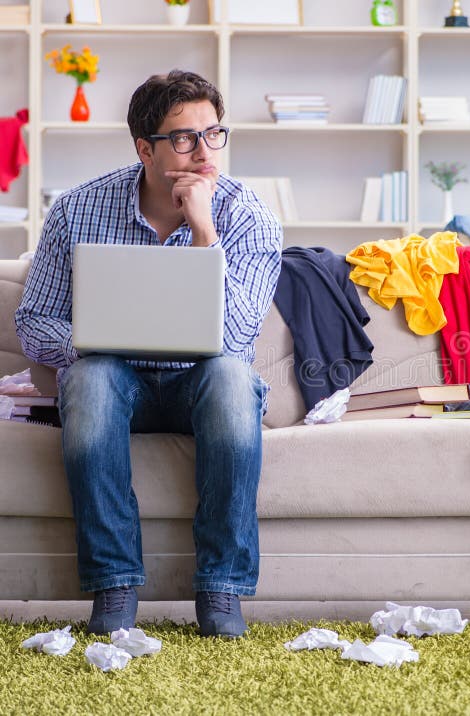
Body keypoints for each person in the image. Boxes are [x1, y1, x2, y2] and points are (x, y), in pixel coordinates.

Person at [15, 70, 283, 638]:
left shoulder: (249, 215)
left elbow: (235, 339)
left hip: (202, 388)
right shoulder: (77, 210)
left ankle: (222, 590)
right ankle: (114, 584)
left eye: (214, 134)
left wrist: (204, 231)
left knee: (234, 379)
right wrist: (94, 339)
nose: (205, 150)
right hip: (117, 387)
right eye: (185, 138)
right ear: (145, 148)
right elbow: (34, 323)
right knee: (88, 377)